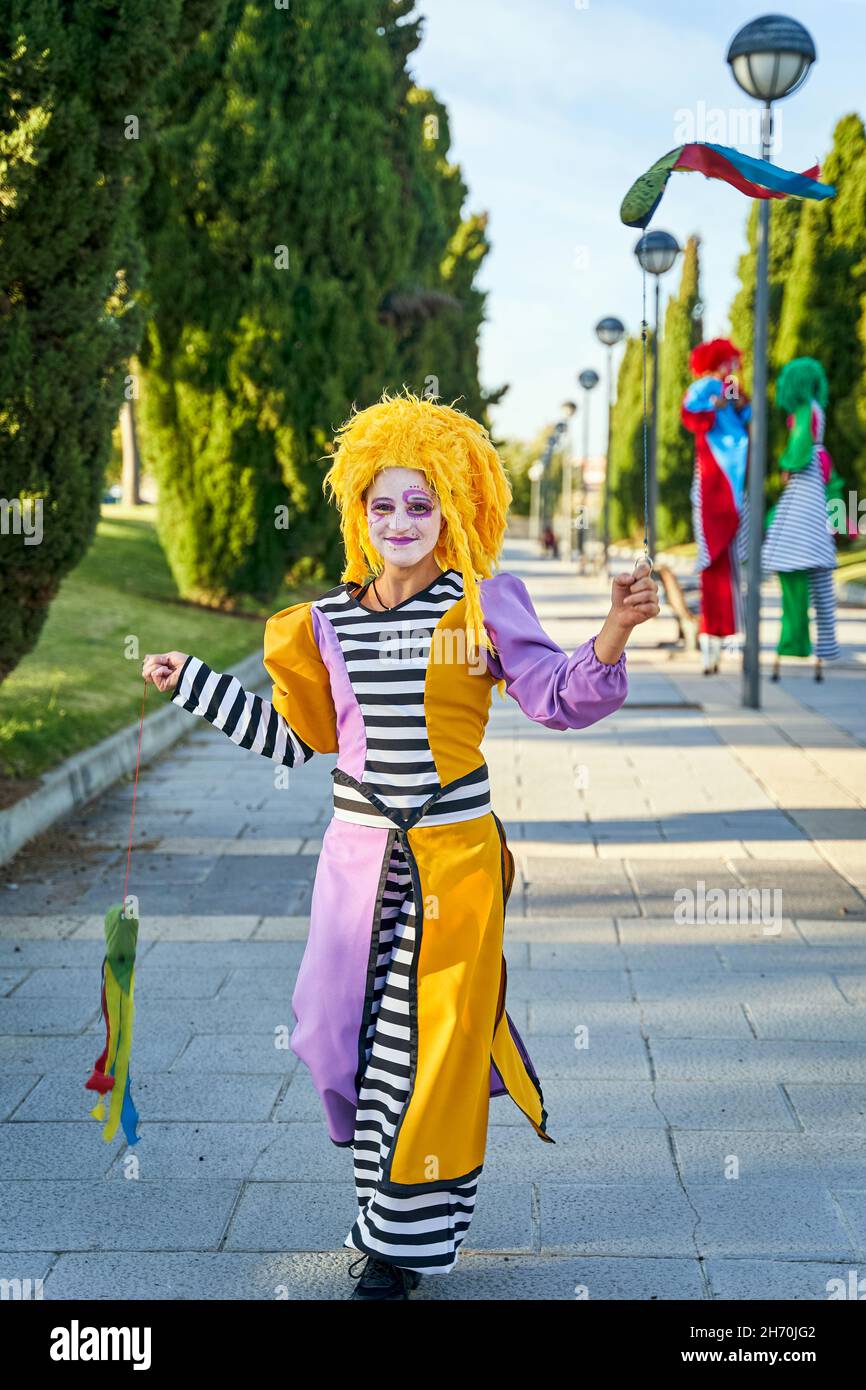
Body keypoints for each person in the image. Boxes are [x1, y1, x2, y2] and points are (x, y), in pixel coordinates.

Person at [142, 391, 659, 1300]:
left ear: (454, 508)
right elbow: (294, 740)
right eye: (383, 504)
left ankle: (398, 1250)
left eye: (422, 504)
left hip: (456, 868)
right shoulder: (324, 625)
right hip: (356, 868)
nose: (402, 521)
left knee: (431, 1047)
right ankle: (387, 1222)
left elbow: (557, 698)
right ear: (358, 512)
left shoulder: (483, 608)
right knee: (346, 1045)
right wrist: (190, 683)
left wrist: (614, 628)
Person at [763, 357, 846, 682]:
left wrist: (785, 464)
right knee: (822, 588)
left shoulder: (803, 412)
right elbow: (833, 482)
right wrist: (841, 521)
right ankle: (825, 648)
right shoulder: (819, 418)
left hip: (799, 514)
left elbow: (797, 452)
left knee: (793, 586)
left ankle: (792, 645)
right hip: (815, 519)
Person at [681, 338, 751, 674]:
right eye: (729, 362)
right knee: (711, 561)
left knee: (733, 563)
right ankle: (711, 635)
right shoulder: (702, 388)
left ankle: (731, 635)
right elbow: (691, 416)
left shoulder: (734, 388)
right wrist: (715, 405)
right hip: (711, 482)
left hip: (736, 487)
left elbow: (749, 414)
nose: (733, 368)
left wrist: (736, 403)